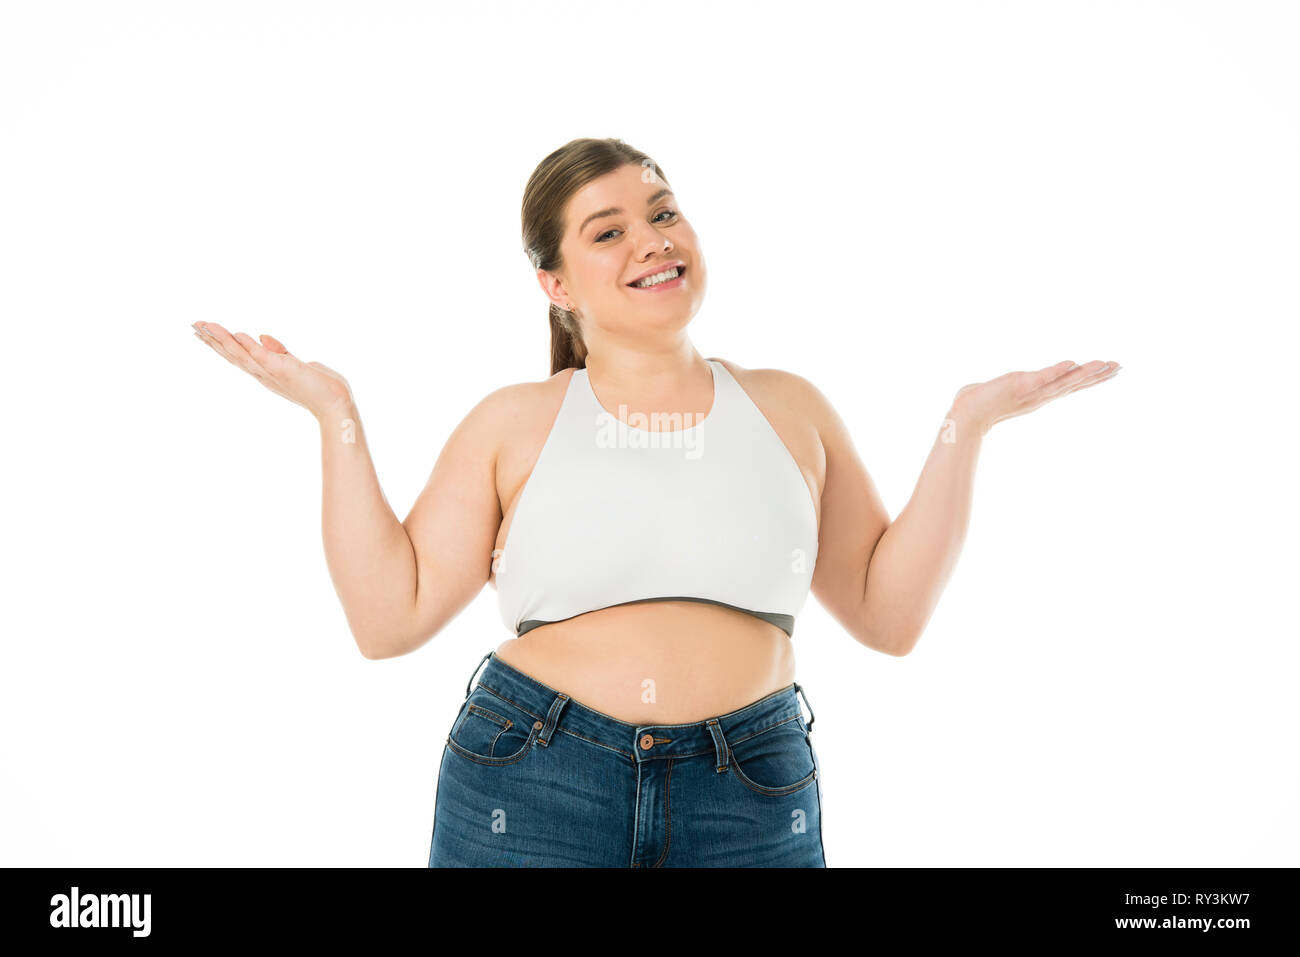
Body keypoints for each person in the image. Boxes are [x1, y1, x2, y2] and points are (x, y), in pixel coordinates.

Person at [191, 136, 1120, 867]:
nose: (653, 238)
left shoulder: (789, 406)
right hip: (536, 778)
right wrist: (334, 413)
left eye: (663, 211)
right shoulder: (514, 422)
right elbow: (386, 619)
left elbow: (888, 613)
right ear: (555, 285)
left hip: (750, 790)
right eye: (608, 231)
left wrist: (967, 425)